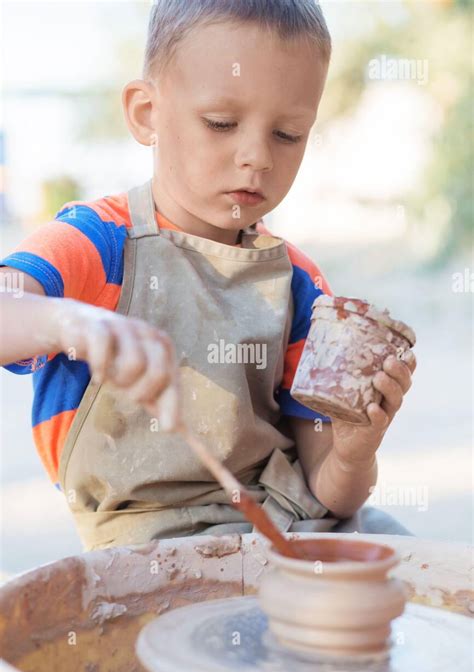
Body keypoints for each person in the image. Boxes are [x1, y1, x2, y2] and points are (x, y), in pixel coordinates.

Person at [0, 0, 416, 551]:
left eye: (288, 134)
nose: (256, 156)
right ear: (147, 113)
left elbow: (333, 494)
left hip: (292, 522)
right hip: (154, 545)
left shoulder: (296, 282)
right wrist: (70, 322)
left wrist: (355, 450)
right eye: (222, 123)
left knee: (405, 556)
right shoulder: (97, 244)